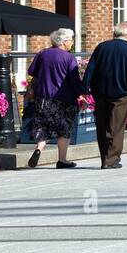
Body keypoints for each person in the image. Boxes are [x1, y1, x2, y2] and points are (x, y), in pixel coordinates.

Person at [83, 22, 127, 169]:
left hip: (100, 93)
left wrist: (86, 88)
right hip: (122, 94)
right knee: (116, 127)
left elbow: (90, 69)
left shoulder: (101, 47)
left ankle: (104, 158)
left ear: (114, 33)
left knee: (102, 125)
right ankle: (111, 160)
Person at [24, 28, 82, 169]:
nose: (72, 43)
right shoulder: (69, 58)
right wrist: (83, 93)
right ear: (64, 41)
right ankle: (62, 159)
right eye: (71, 40)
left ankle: (39, 149)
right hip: (64, 99)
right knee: (64, 129)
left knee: (44, 127)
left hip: (43, 97)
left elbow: (32, 72)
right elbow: (75, 80)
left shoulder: (43, 54)